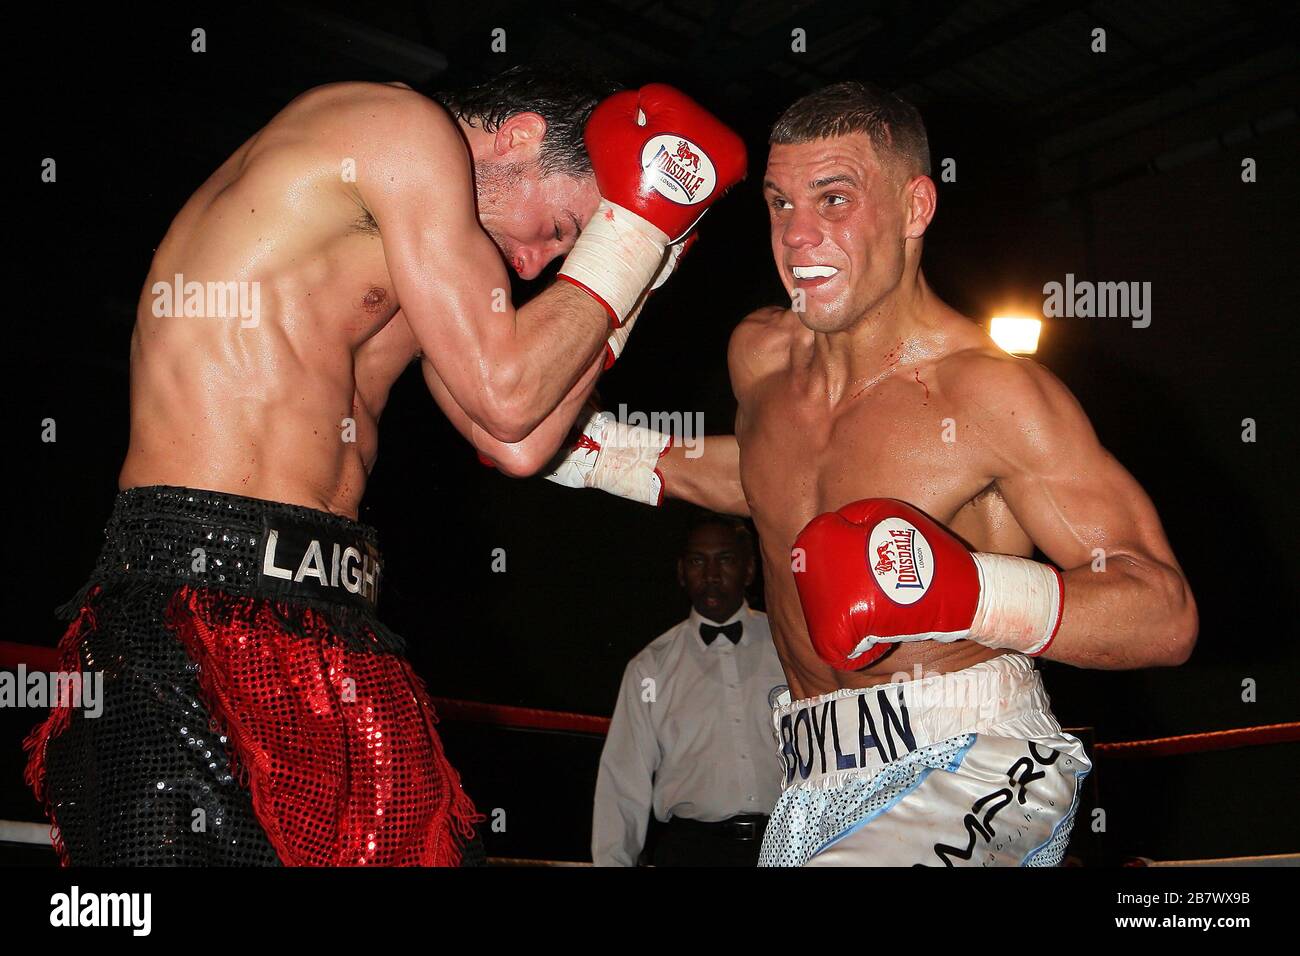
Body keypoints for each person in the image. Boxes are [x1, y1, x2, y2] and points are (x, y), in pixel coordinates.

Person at [24, 66, 745, 866]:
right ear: (520, 136)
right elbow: (509, 397)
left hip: (338, 626)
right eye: (564, 227)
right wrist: (639, 232)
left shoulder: (436, 256)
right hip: (193, 595)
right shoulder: (393, 126)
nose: (541, 266)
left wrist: (646, 263)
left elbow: (518, 441)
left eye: (574, 250)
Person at [547, 81, 1196, 866]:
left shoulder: (993, 393)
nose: (799, 237)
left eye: (834, 199)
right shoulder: (760, 356)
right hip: (808, 772)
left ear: (916, 208)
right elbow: (766, 479)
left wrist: (968, 591)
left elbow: (1163, 613)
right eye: (780, 204)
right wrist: (598, 456)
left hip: (975, 757)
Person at [593, 514, 785, 866]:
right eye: (698, 561)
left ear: (749, 570)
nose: (711, 575)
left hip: (787, 844)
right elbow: (623, 778)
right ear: (682, 572)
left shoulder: (788, 649)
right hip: (690, 852)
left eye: (725, 559)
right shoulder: (649, 668)